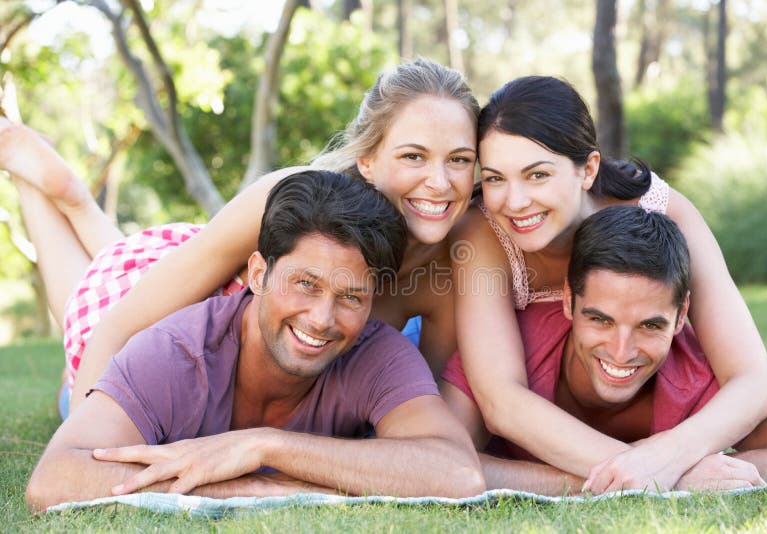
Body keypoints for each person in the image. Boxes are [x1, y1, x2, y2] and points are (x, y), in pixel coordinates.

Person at [0, 57, 479, 417]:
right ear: (368, 158)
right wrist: (83, 430)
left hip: (265, 360)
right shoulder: (290, 200)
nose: (440, 182)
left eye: (459, 159)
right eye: (414, 157)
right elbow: (123, 324)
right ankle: (43, 189)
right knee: (81, 352)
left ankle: (74, 200)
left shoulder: (453, 265)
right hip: (185, 322)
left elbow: (423, 403)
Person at [24, 170, 485, 513]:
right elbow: (54, 479)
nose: (323, 319)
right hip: (117, 313)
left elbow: (458, 472)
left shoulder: (375, 352)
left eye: (351, 297)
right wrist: (251, 487)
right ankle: (42, 190)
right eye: (305, 284)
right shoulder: (175, 353)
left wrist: (265, 448)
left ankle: (74, 204)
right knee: (76, 332)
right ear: (259, 273)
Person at [449, 76, 767, 494]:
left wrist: (666, 457)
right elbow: (501, 402)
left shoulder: (660, 215)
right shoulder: (484, 231)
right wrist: (662, 474)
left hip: (622, 390)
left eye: (537, 175)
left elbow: (753, 380)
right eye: (495, 178)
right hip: (473, 371)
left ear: (588, 169)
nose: (513, 201)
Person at [444, 206, 767, 495]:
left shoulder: (696, 374)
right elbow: (447, 459)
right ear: (569, 300)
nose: (621, 350)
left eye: (650, 325)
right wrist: (661, 477)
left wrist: (729, 473)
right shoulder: (512, 347)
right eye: (600, 320)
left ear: (681, 317)